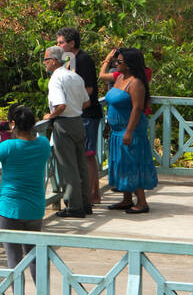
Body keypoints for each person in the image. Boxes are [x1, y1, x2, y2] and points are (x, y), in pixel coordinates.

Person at [0, 104, 51, 275]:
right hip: (34, 208)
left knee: (14, 262)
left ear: (12, 124)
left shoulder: (8, 146)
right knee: (34, 257)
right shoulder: (44, 144)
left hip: (10, 208)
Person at [100, 47, 157, 213]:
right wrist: (108, 125)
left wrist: (129, 131)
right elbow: (112, 103)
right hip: (116, 129)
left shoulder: (136, 82)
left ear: (129, 64)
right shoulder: (120, 78)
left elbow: (137, 108)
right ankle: (126, 198)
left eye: (119, 61)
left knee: (133, 162)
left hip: (130, 129)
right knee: (120, 163)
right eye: (116, 61)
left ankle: (142, 202)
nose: (116, 63)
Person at [40, 45, 91, 217]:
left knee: (68, 166)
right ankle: (85, 203)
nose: (44, 63)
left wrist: (51, 115)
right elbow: (86, 102)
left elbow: (60, 105)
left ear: (54, 61)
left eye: (46, 60)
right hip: (78, 121)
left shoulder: (56, 79)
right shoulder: (74, 76)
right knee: (80, 164)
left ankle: (74, 206)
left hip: (64, 124)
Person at [57, 27, 101, 206]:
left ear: (72, 43)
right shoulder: (69, 59)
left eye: (61, 42)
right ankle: (87, 194)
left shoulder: (83, 60)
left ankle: (93, 194)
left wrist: (73, 105)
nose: (58, 45)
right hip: (78, 114)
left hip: (88, 114)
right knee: (82, 155)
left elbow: (88, 91)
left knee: (88, 155)